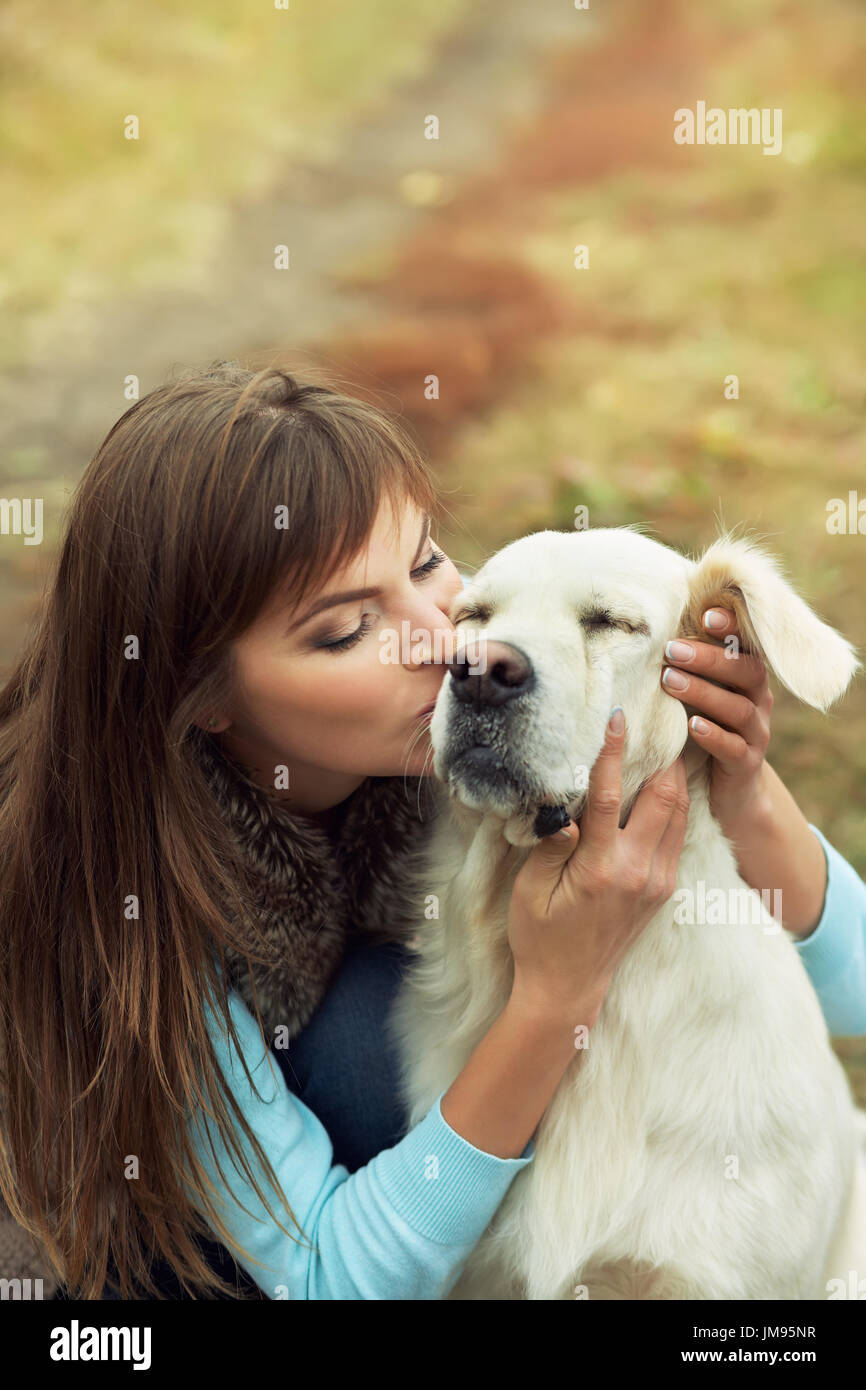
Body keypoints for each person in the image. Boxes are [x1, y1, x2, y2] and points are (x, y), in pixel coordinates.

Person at [0, 363, 862, 1302]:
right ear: (203, 698)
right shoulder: (116, 921)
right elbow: (325, 1275)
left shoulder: (454, 733)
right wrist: (550, 1000)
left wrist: (741, 785)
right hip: (210, 1268)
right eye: (343, 631)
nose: (443, 640)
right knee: (368, 1034)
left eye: (425, 566)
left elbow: (855, 997)